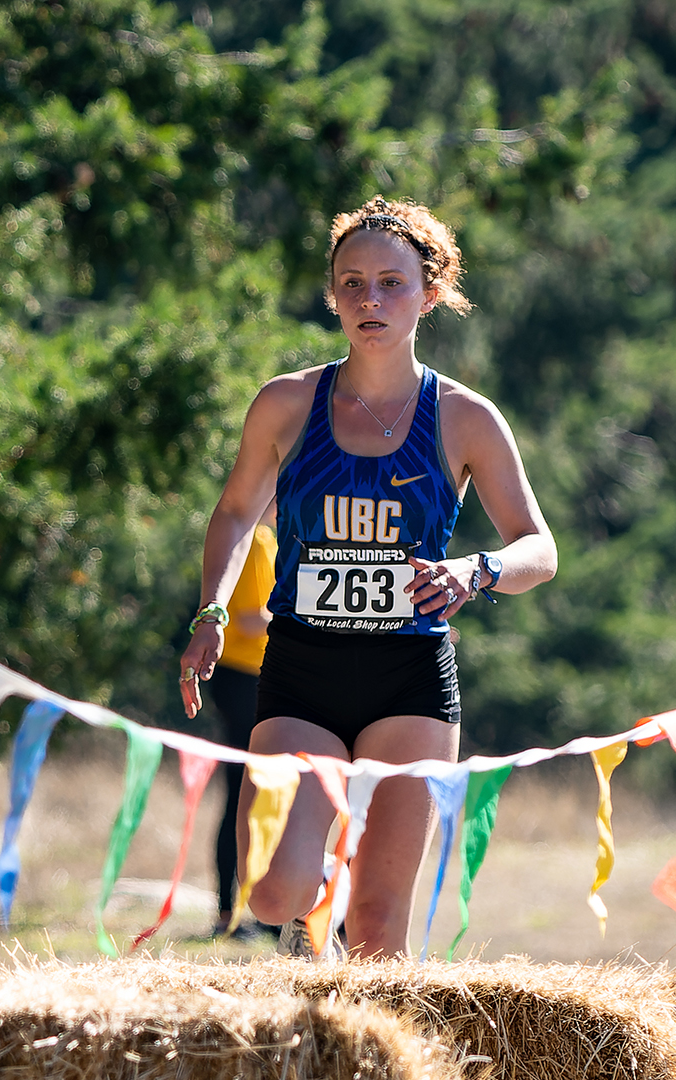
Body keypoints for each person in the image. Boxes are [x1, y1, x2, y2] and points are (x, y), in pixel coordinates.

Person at [177, 196, 556, 959]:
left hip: (410, 677)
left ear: (432, 290)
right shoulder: (286, 403)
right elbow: (235, 514)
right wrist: (210, 613)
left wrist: (473, 570)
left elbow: (537, 548)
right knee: (273, 893)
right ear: (332, 294)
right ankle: (326, 883)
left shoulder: (464, 416)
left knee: (383, 931)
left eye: (391, 282)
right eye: (351, 283)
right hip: (301, 669)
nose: (369, 300)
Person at [202, 498, 277, 940]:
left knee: (258, 794)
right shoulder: (253, 543)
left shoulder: (270, 542)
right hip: (242, 678)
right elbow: (249, 620)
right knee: (242, 794)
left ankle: (258, 908)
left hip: (256, 678)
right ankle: (230, 910)